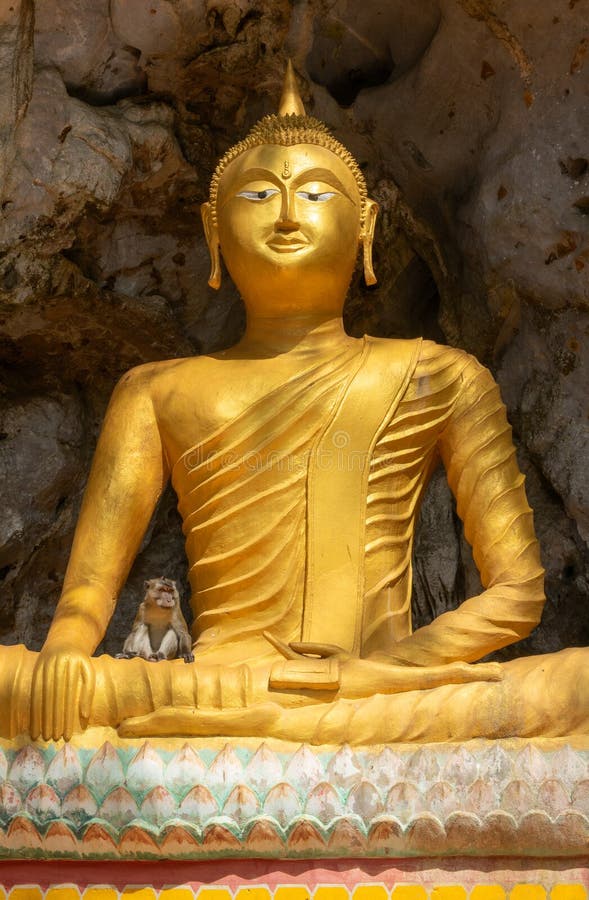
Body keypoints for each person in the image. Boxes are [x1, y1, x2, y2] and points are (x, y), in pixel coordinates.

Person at [1, 64, 587, 745]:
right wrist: (66, 660)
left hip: (377, 691)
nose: (285, 215)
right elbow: (88, 592)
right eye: (256, 194)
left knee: (577, 684)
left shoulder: (439, 375)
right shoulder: (156, 391)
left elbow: (516, 592)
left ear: (364, 225)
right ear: (212, 230)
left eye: (314, 193)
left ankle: (273, 729)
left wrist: (376, 672)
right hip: (212, 682)